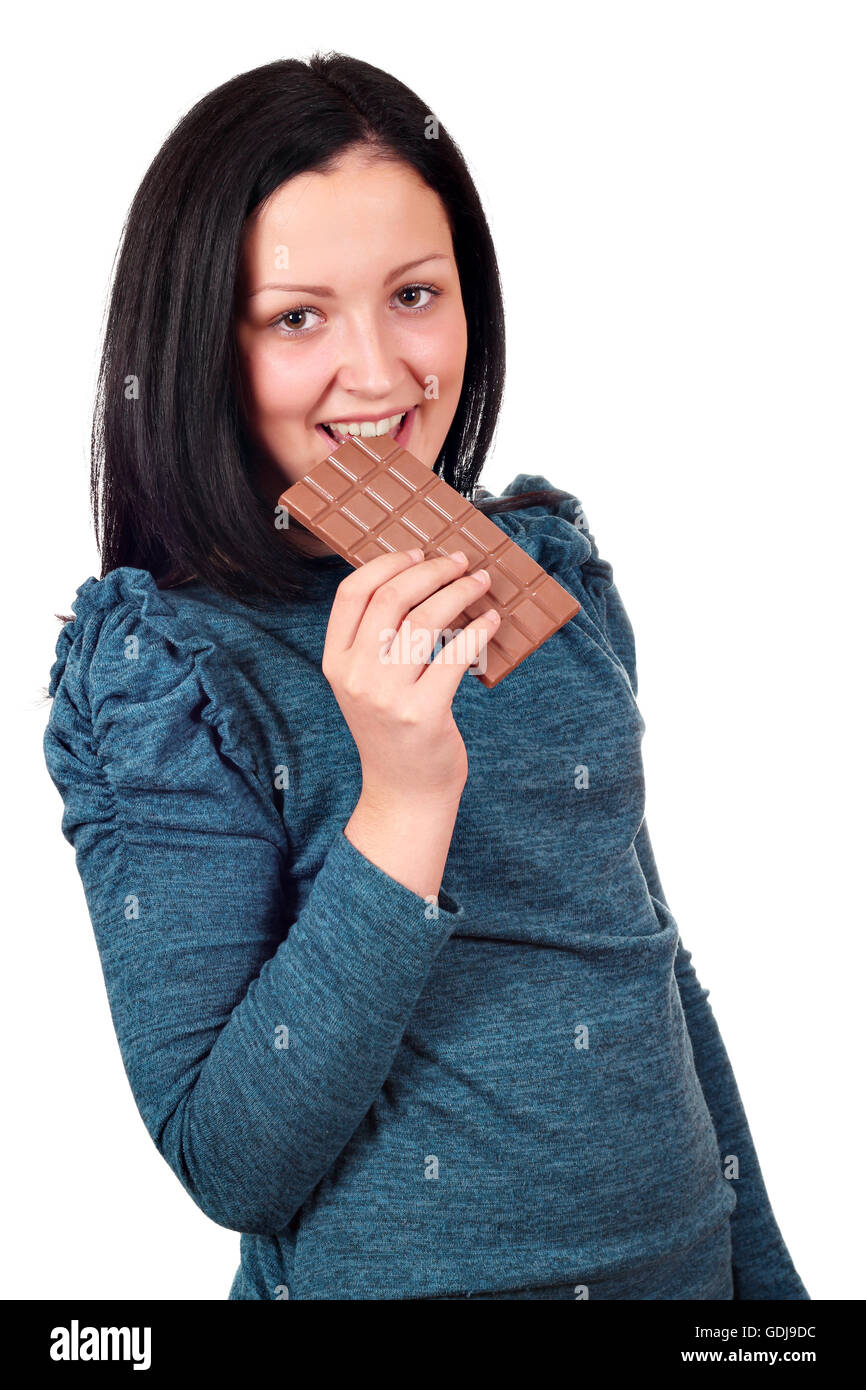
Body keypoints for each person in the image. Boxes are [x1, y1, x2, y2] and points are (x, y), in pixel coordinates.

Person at [42, 53, 809, 1301]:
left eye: (413, 293)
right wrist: (400, 798)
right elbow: (231, 1160)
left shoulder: (544, 577)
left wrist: (769, 1302)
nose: (383, 372)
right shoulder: (166, 676)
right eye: (297, 316)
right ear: (202, 346)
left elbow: (648, 968)